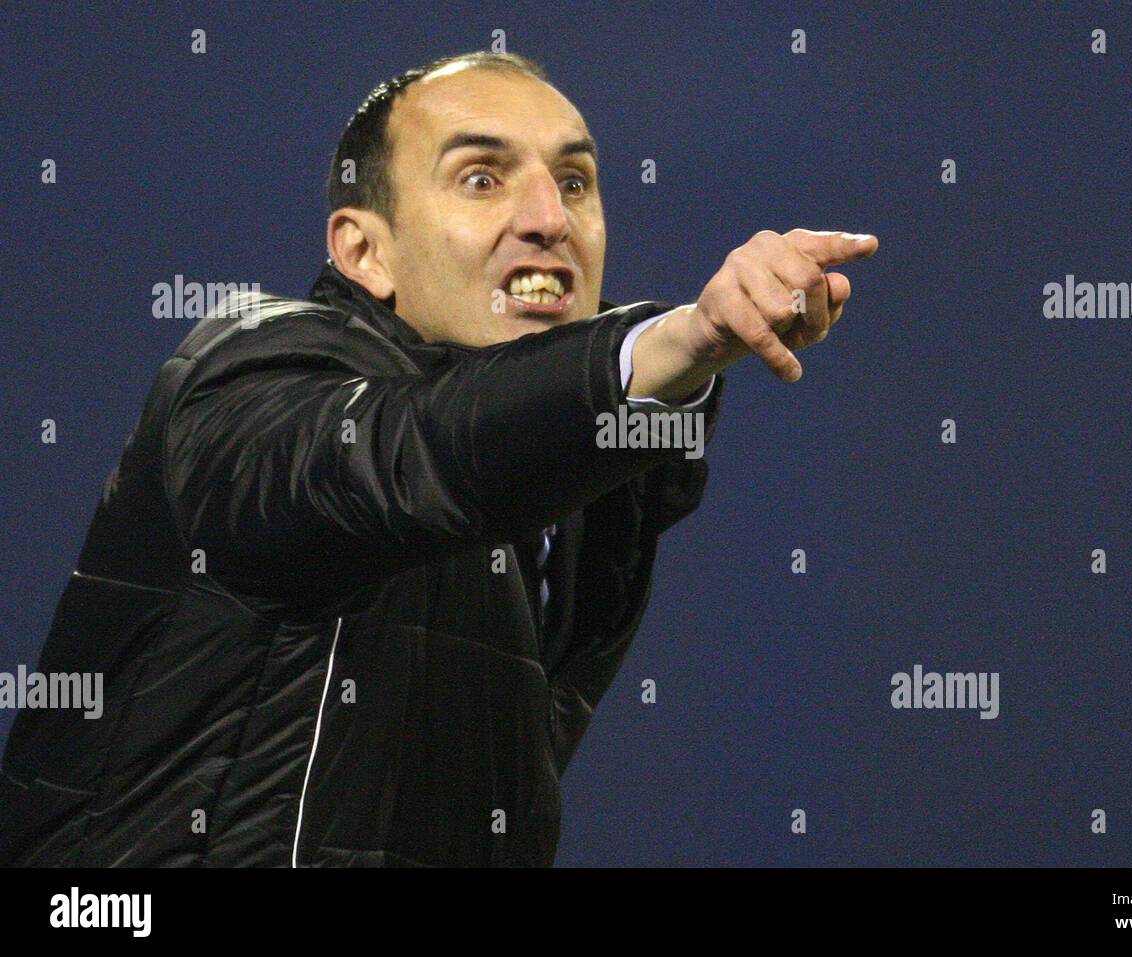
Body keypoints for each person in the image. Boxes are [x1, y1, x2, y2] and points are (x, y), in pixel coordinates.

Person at [0, 51, 876, 867]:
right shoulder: (246, 371)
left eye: (574, 181)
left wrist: (672, 365)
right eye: (482, 178)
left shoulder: (589, 481)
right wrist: (673, 340)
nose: (548, 220)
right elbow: (405, 453)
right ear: (363, 251)